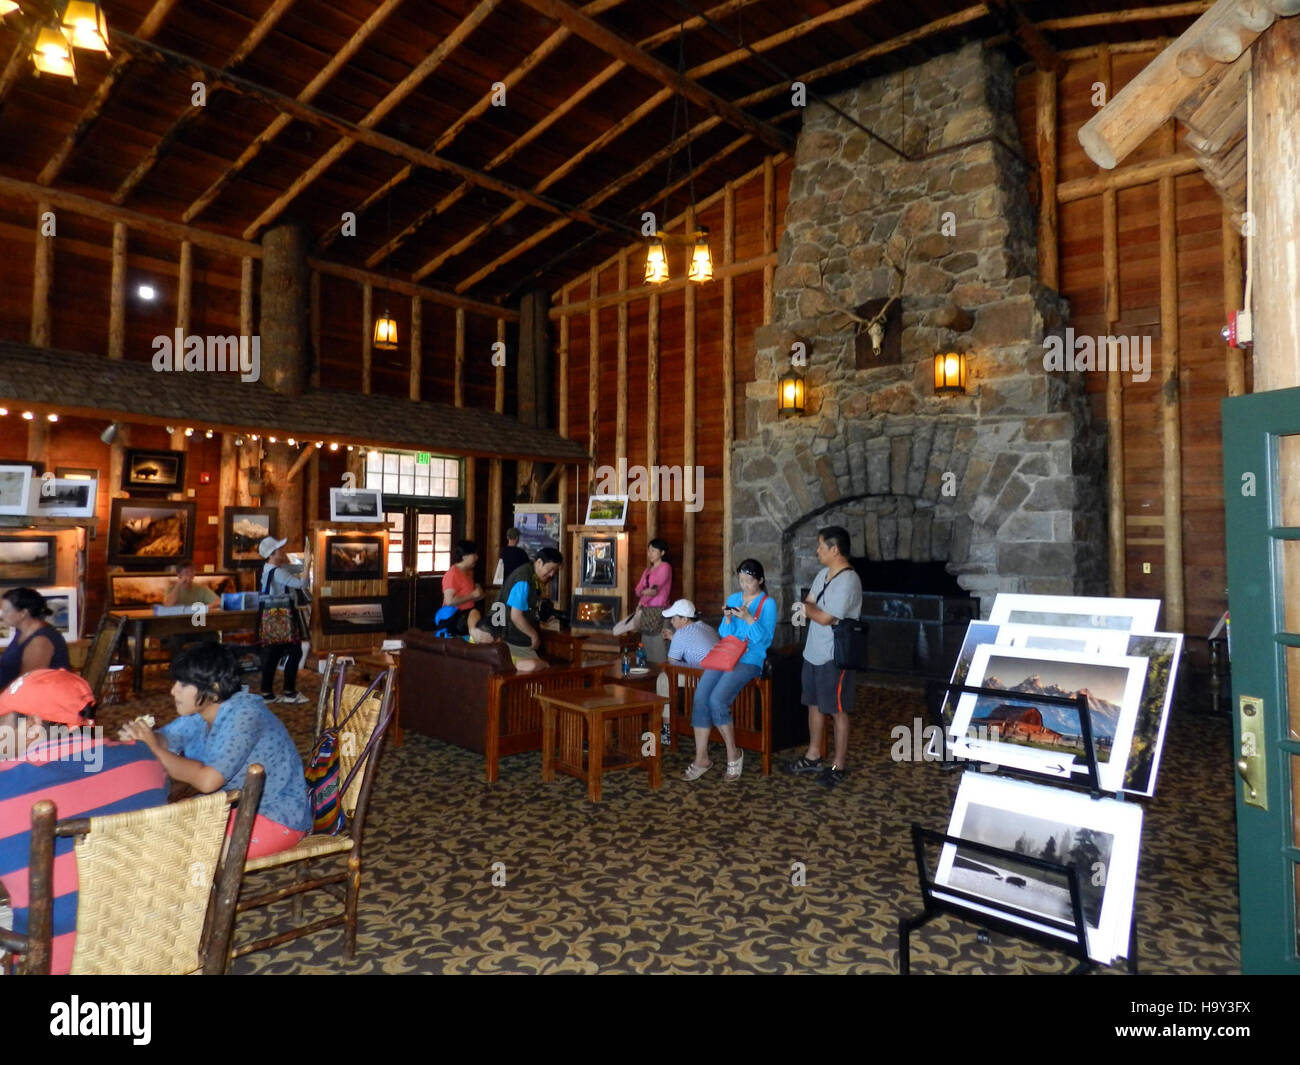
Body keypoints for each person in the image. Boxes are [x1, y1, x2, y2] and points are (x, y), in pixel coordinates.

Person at [0, 670, 169, 975]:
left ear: (35, 725)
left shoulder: (6, 786)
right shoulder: (145, 760)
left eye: (6, 723)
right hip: (148, 945)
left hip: (54, 963)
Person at [120, 642, 310, 861]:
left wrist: (152, 747)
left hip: (275, 817)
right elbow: (166, 739)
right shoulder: (202, 712)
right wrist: (146, 738)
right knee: (156, 830)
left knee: (178, 851)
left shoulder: (244, 716)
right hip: (232, 806)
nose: (173, 690)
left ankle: (201, 893)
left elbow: (208, 780)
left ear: (215, 689)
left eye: (183, 684)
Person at [682, 560, 777, 783]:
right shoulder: (734, 598)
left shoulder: (768, 604)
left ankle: (733, 753)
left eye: (749, 581)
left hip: (751, 658)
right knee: (701, 696)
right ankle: (701, 757)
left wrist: (748, 619)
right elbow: (725, 633)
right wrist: (727, 617)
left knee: (717, 700)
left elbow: (764, 640)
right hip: (727, 653)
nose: (744, 586)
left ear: (760, 581)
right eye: (741, 580)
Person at [789, 525, 864, 789]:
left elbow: (822, 616)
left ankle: (839, 763)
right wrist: (812, 609)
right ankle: (813, 755)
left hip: (835, 656)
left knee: (838, 710)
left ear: (834, 549)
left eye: (821, 546)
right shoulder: (823, 574)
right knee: (813, 704)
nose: (817, 550)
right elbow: (808, 603)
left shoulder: (849, 581)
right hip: (813, 651)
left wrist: (811, 609)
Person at [655, 598, 719, 747]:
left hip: (703, 678)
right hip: (719, 676)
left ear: (684, 619)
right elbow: (695, 646)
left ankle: (667, 729)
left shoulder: (681, 634)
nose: (671, 621)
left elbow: (671, 663)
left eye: (674, 618)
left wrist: (675, 638)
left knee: (664, 678)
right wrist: (674, 638)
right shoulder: (706, 627)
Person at [256, 535, 307, 705]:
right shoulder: (278, 572)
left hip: (270, 616)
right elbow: (301, 584)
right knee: (295, 652)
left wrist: (304, 563)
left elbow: (294, 568)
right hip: (283, 616)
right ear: (272, 554)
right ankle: (289, 692)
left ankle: (267, 692)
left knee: (273, 653)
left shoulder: (269, 568)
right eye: (279, 550)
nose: (282, 552)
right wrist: (308, 567)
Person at [495, 547, 563, 672]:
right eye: (550, 569)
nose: (552, 574)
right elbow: (516, 616)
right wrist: (534, 635)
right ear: (539, 562)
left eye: (555, 570)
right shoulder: (524, 580)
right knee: (542, 669)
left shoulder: (530, 575)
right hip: (512, 639)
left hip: (512, 637)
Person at [0, 587, 71, 690]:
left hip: (23, 701)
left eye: (6, 611)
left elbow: (26, 687)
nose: (2, 615)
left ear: (23, 613)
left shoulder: (40, 642)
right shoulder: (21, 631)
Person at [437, 539, 495, 643]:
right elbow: (449, 601)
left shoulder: (469, 572)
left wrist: (479, 594)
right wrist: (472, 595)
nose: (477, 558)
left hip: (466, 616)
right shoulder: (452, 574)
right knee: (474, 612)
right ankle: (475, 636)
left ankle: (476, 636)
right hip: (452, 617)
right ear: (464, 556)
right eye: (474, 554)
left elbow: (474, 595)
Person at [612, 538, 673, 637]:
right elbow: (637, 589)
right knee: (644, 642)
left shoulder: (665, 567)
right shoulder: (648, 570)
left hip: (658, 611)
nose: (650, 553)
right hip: (645, 610)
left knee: (656, 643)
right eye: (649, 550)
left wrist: (642, 598)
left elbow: (653, 591)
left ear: (662, 552)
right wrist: (643, 594)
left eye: (653, 550)